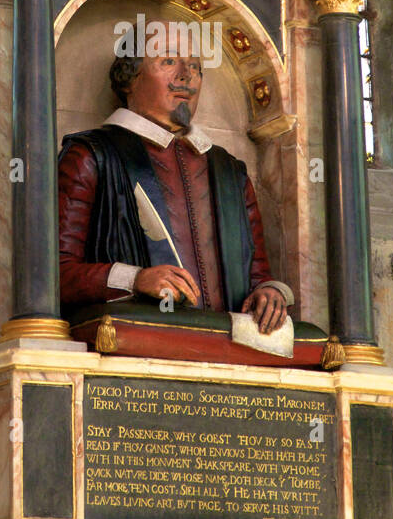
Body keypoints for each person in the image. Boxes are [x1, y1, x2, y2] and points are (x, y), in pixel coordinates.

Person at [57, 21, 292, 334]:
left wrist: (270, 295)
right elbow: (54, 275)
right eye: (168, 61)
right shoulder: (92, 155)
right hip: (136, 349)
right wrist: (136, 279)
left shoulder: (229, 172)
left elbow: (256, 276)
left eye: (195, 66)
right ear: (129, 79)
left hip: (226, 351)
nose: (186, 75)